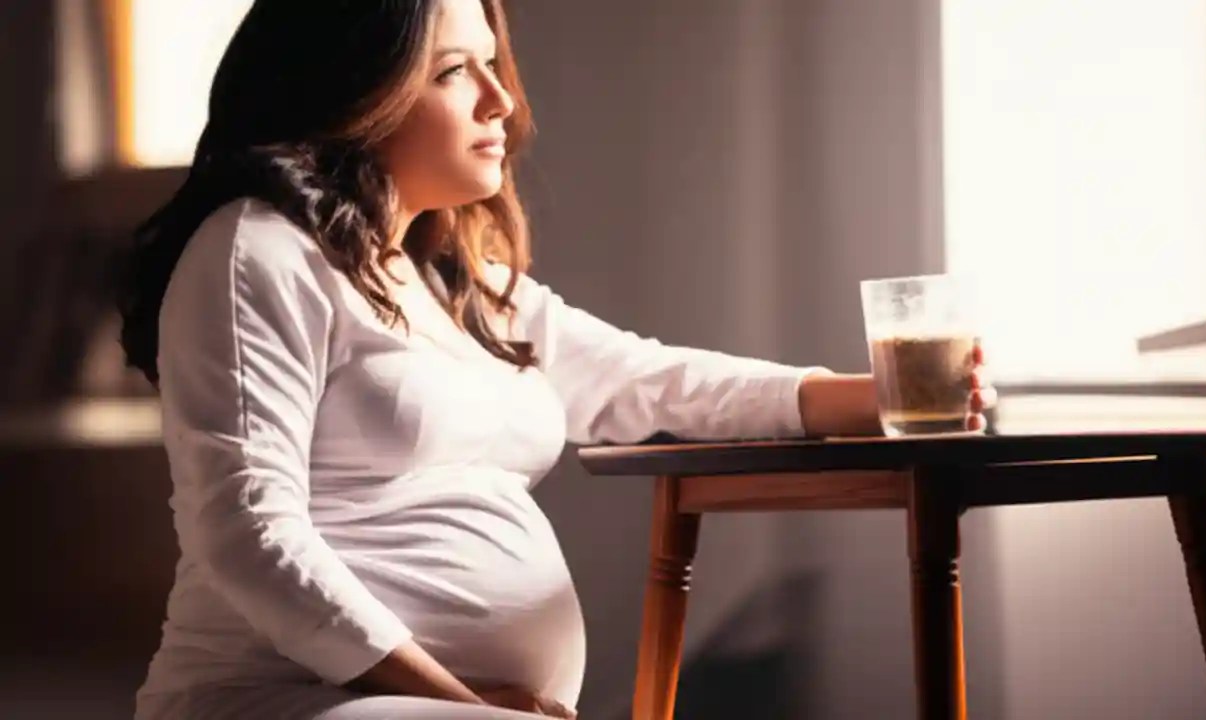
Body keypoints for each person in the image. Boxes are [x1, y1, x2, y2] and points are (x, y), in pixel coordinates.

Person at [118, 1, 996, 718]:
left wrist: (878, 394)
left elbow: (651, 382)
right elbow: (246, 533)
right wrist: (459, 700)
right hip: (283, 698)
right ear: (352, 91)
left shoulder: (461, 284)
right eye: (455, 70)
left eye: (493, 62)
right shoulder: (256, 251)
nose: (502, 100)